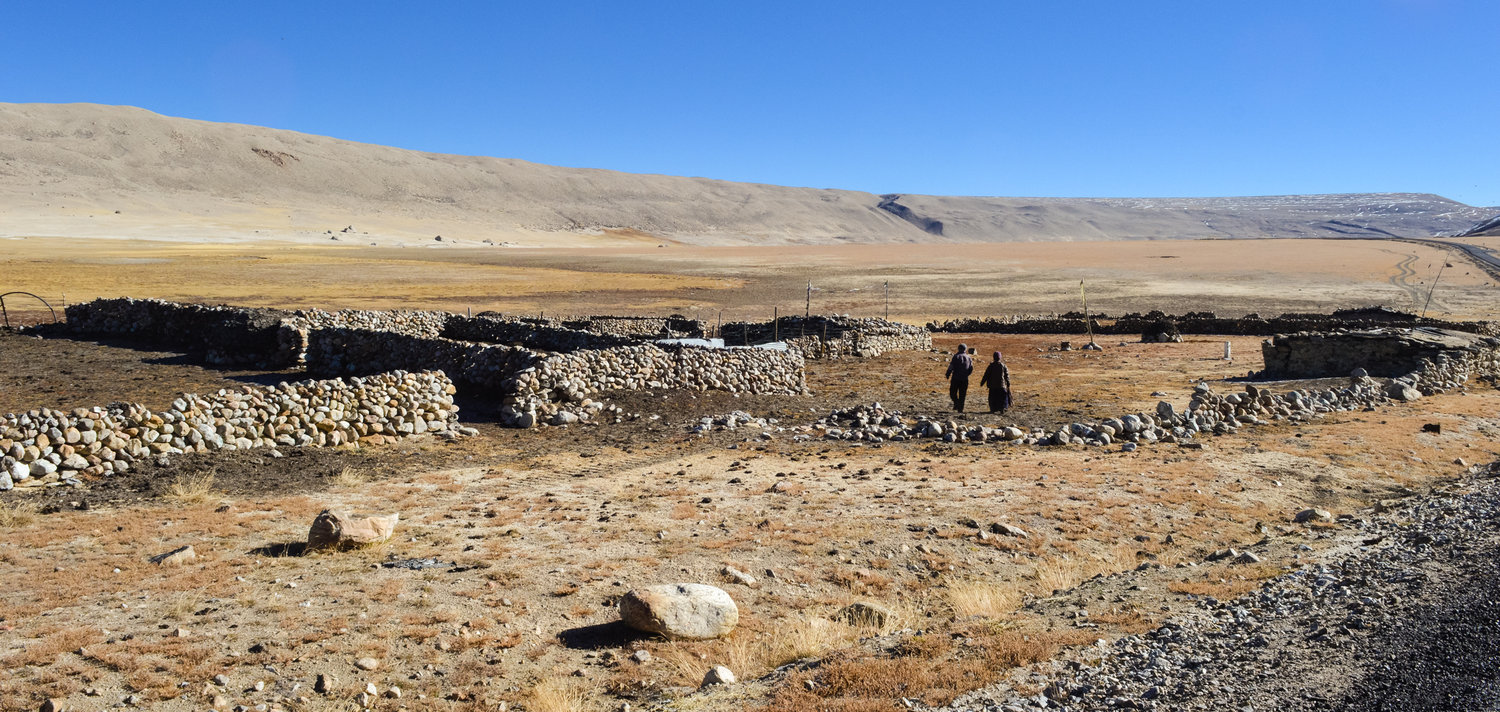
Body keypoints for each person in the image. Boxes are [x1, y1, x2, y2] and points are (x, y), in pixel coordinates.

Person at [945, 343, 974, 412]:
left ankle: (956, 403)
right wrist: (967, 374)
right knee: (962, 394)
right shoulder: (968, 358)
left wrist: (948, 374)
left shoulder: (956, 356)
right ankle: (960, 408)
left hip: (956, 378)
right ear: (965, 349)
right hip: (964, 379)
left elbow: (951, 366)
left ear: (959, 348)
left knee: (952, 393)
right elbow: (971, 368)